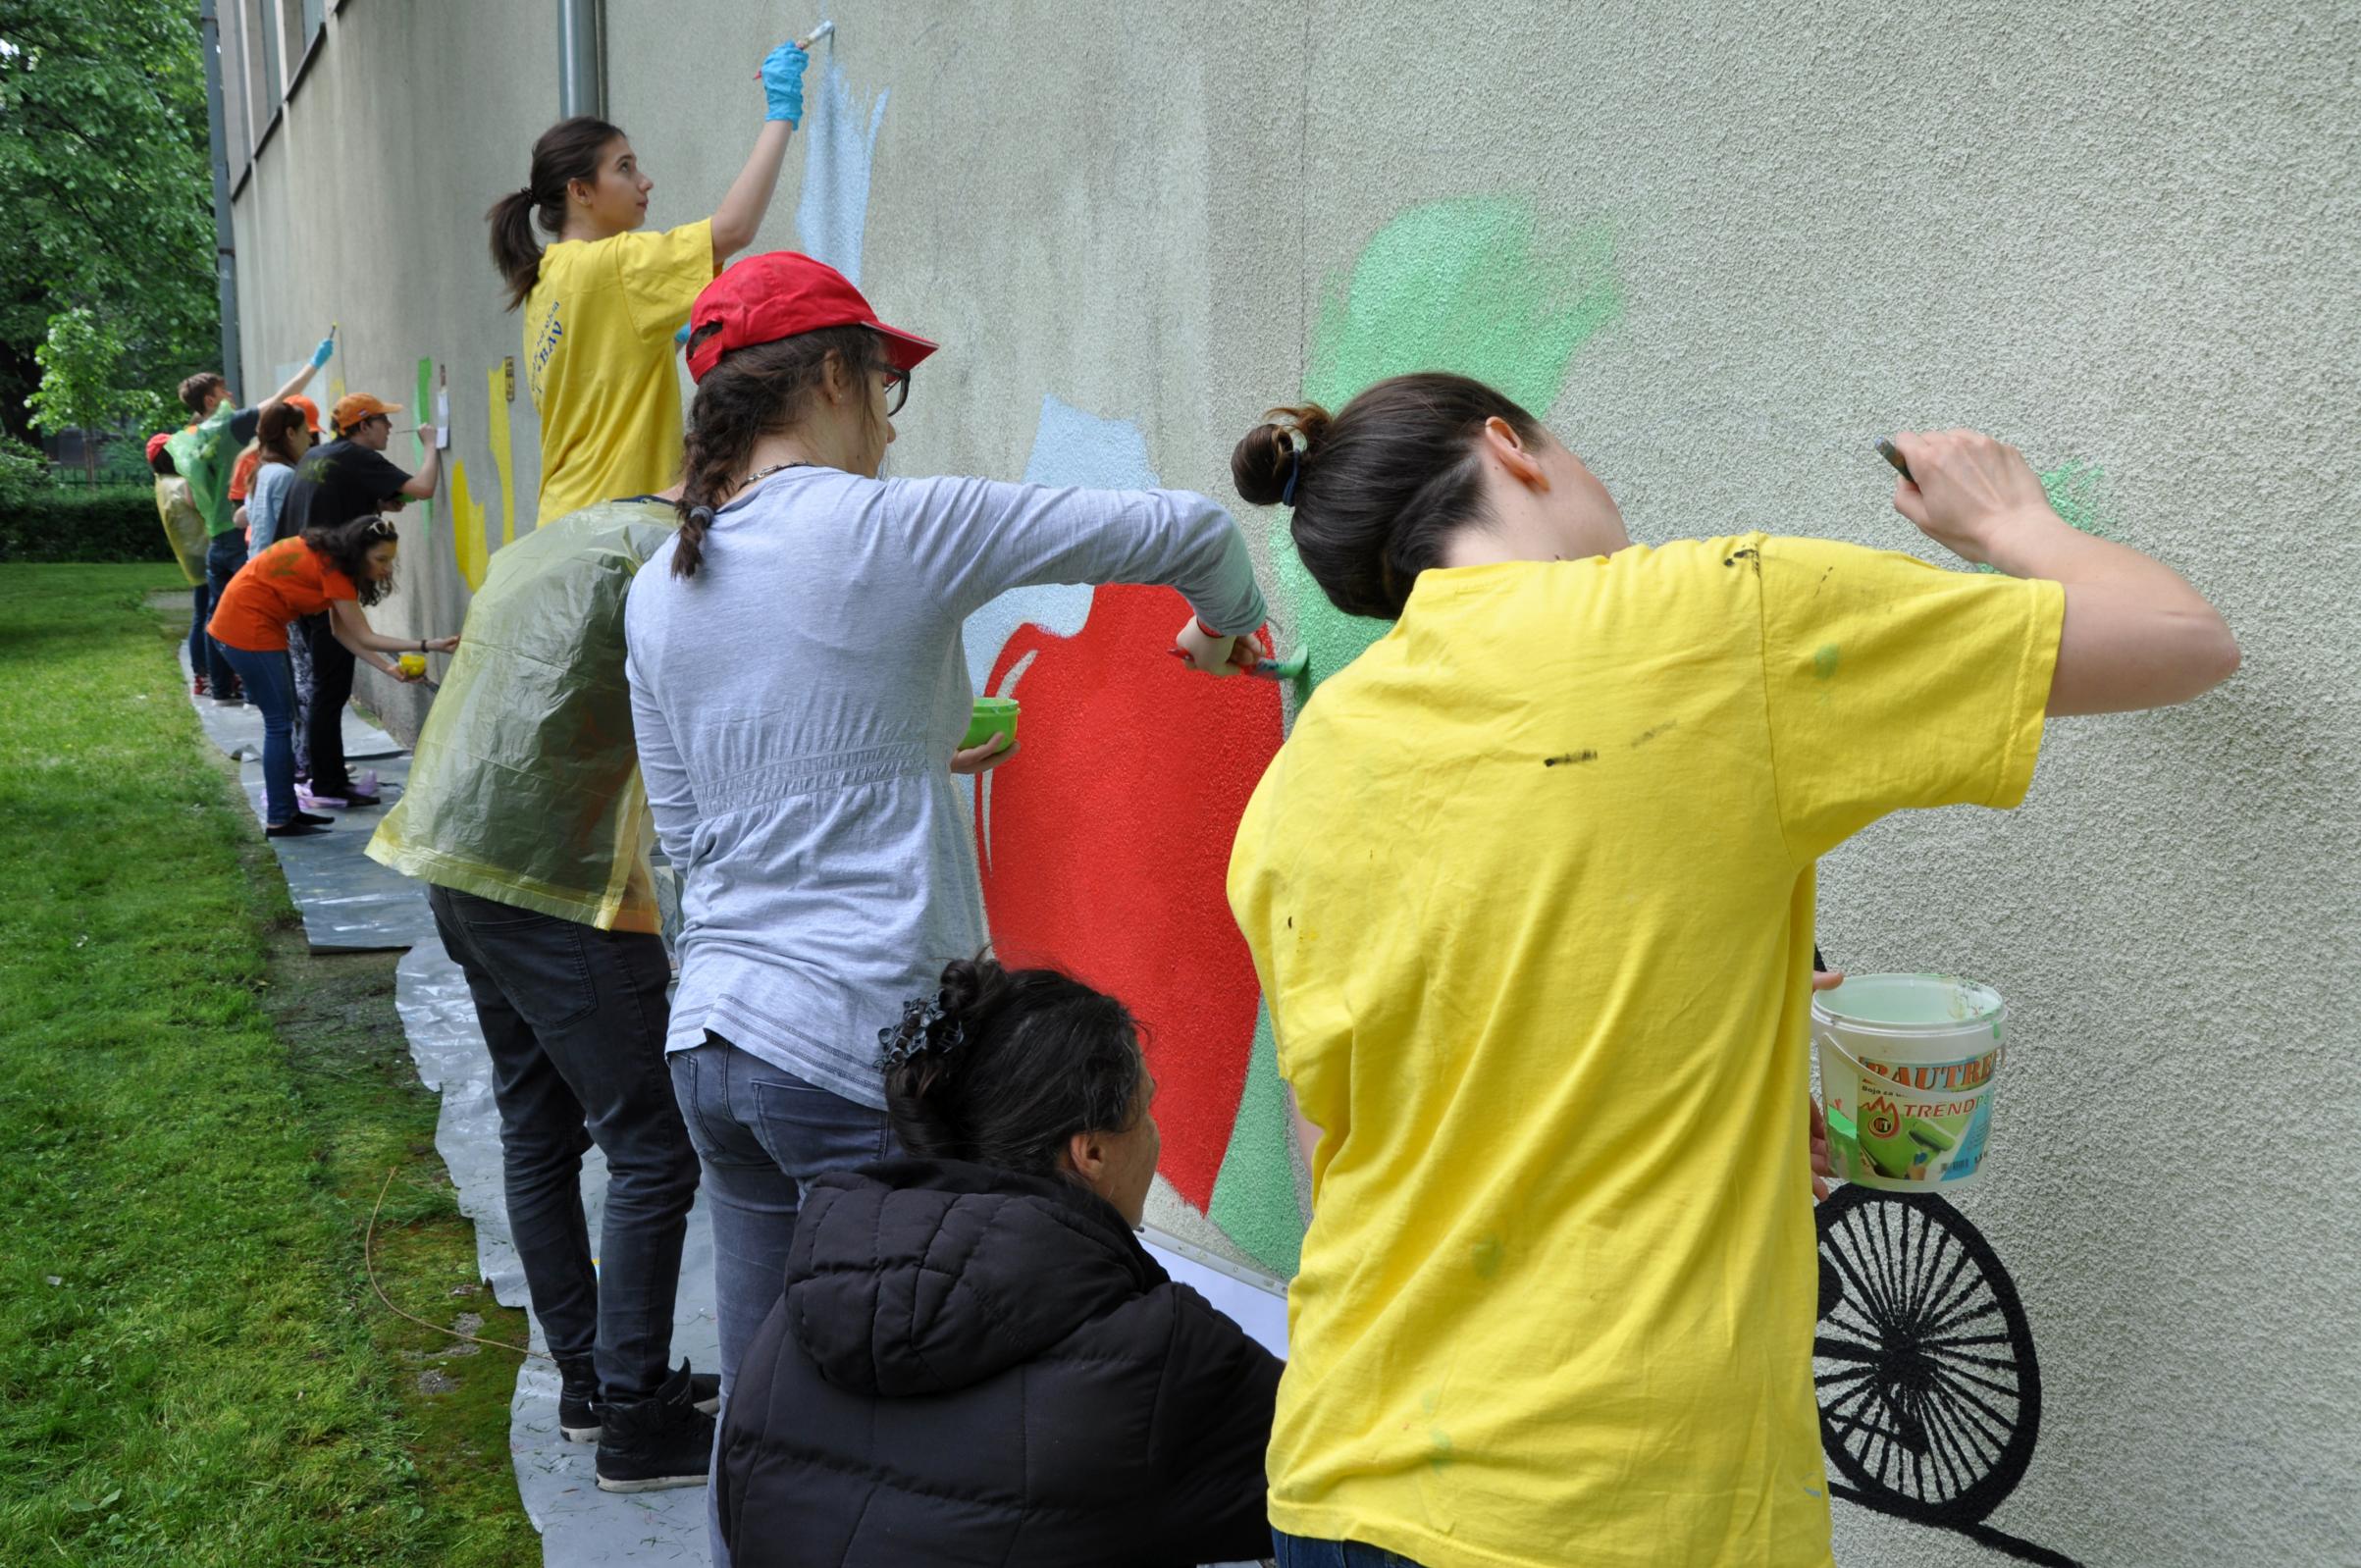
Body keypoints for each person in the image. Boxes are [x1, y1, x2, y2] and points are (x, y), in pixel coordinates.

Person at [1222, 378, 2242, 1568]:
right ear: (1512, 447)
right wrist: (2011, 523)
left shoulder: (1300, 780)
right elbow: (2181, 640)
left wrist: (1707, 1053)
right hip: (1604, 1510)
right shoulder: (1712, 614)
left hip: (1337, 1474)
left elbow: (1354, 1138)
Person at [622, 250, 1268, 1414]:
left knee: (767, 1408)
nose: (889, 423)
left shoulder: (660, 583)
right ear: (833, 376)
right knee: (902, 1417)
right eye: (885, 386)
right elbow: (1194, 533)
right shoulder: (886, 527)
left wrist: (911, 754)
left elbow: (694, 827)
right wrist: (1225, 631)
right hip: (848, 1044)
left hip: (713, 1042)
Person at [366, 490, 720, 1493]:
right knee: (654, 1144)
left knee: (538, 1129)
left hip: (457, 856)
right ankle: (636, 1421)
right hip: (553, 884)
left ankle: (593, 1386)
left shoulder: (569, 536)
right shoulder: (679, 557)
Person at [715, 957, 1283, 1566]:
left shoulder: (793, 1320)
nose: (1154, 1134)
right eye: (1145, 1109)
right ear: (1089, 1152)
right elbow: (1330, 1483)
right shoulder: (1157, 1348)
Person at [488, 37, 812, 524]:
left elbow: (605, 375)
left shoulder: (546, 281)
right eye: (625, 168)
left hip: (568, 522)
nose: (645, 181)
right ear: (580, 191)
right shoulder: (612, 266)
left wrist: (670, 339)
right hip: (615, 528)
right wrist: (780, 114)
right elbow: (733, 229)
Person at [207, 515, 456, 836]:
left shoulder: (327, 556)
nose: (386, 569)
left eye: (390, 560)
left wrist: (388, 669)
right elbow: (365, 637)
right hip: (246, 630)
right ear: (359, 552)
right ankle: (280, 819)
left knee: (285, 721)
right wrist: (428, 645)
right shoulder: (335, 571)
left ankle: (288, 812)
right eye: (381, 559)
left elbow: (342, 633)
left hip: (242, 625)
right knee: (280, 724)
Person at [281, 392, 443, 810]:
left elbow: (328, 504)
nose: (389, 428)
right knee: (330, 689)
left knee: (324, 686)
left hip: (299, 582)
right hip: (324, 584)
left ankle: (323, 777)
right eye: (383, 421)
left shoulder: (318, 456)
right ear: (364, 425)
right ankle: (328, 785)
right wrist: (430, 444)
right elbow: (423, 488)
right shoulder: (359, 456)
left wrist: (376, 502)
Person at [172, 339, 335, 705]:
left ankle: (220, 689)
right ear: (210, 400)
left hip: (215, 538)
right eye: (223, 391)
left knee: (216, 616)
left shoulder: (191, 440)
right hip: (236, 539)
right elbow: (280, 400)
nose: (230, 395)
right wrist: (315, 363)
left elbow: (189, 498)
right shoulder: (229, 426)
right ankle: (259, 690)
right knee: (260, 618)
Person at [147, 433, 211, 688]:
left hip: (191, 555)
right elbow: (205, 504)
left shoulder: (162, 481)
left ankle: (201, 674)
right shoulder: (181, 484)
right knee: (207, 615)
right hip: (203, 552)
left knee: (202, 613)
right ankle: (206, 672)